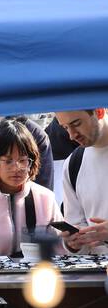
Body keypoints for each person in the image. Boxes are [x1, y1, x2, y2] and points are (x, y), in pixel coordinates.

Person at [0, 118, 62, 256]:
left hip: (39, 276)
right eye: (8, 161)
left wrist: (72, 244)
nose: (17, 168)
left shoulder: (45, 198)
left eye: (23, 160)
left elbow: (61, 247)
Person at [55, 109, 108, 254]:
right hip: (95, 273)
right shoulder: (73, 163)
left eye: (76, 123)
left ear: (99, 111)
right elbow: (76, 227)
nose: (72, 135)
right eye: (65, 127)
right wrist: (73, 243)